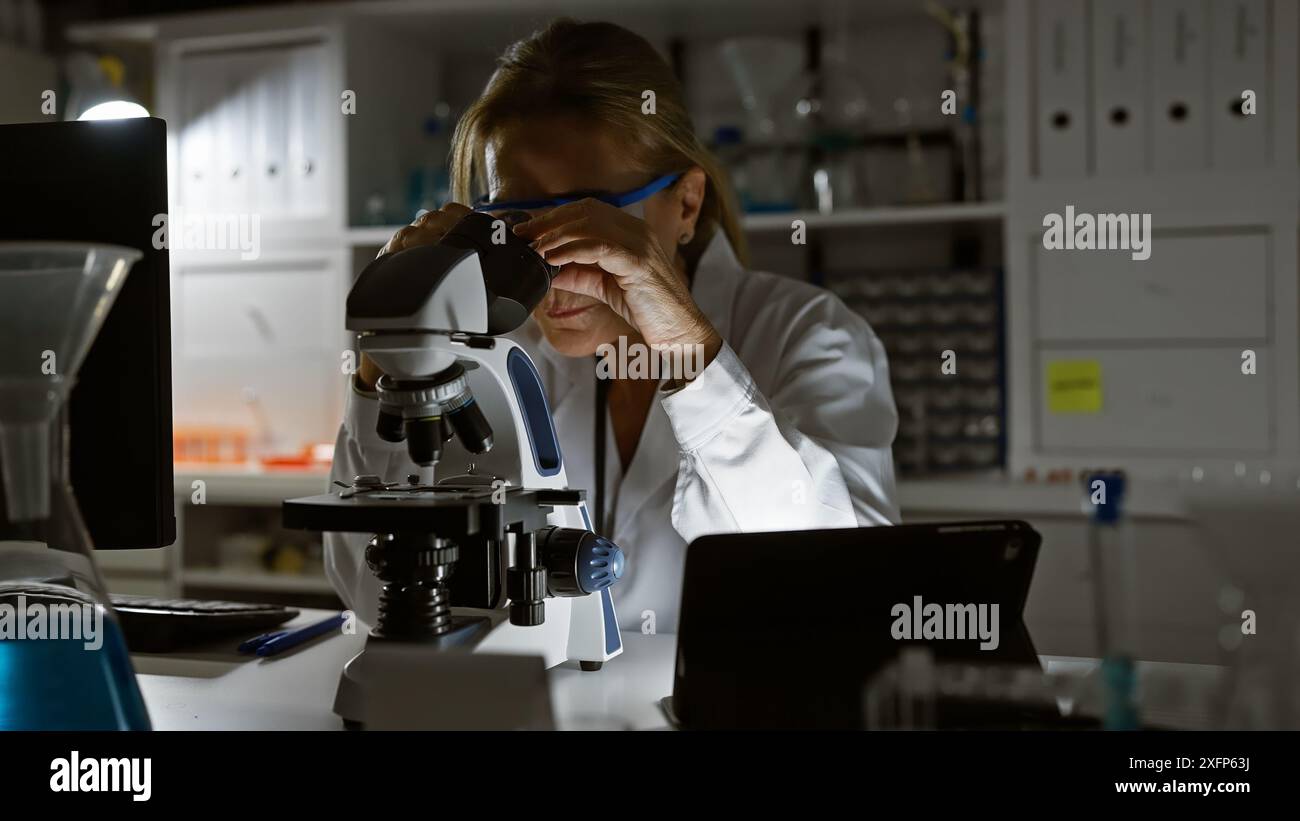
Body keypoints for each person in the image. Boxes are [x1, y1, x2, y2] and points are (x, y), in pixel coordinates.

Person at [326, 19, 899, 634]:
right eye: (514, 221)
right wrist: (387, 354)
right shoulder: (491, 358)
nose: (550, 264)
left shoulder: (808, 333)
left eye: (586, 220)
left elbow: (851, 586)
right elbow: (372, 594)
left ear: (685, 203)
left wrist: (689, 355)